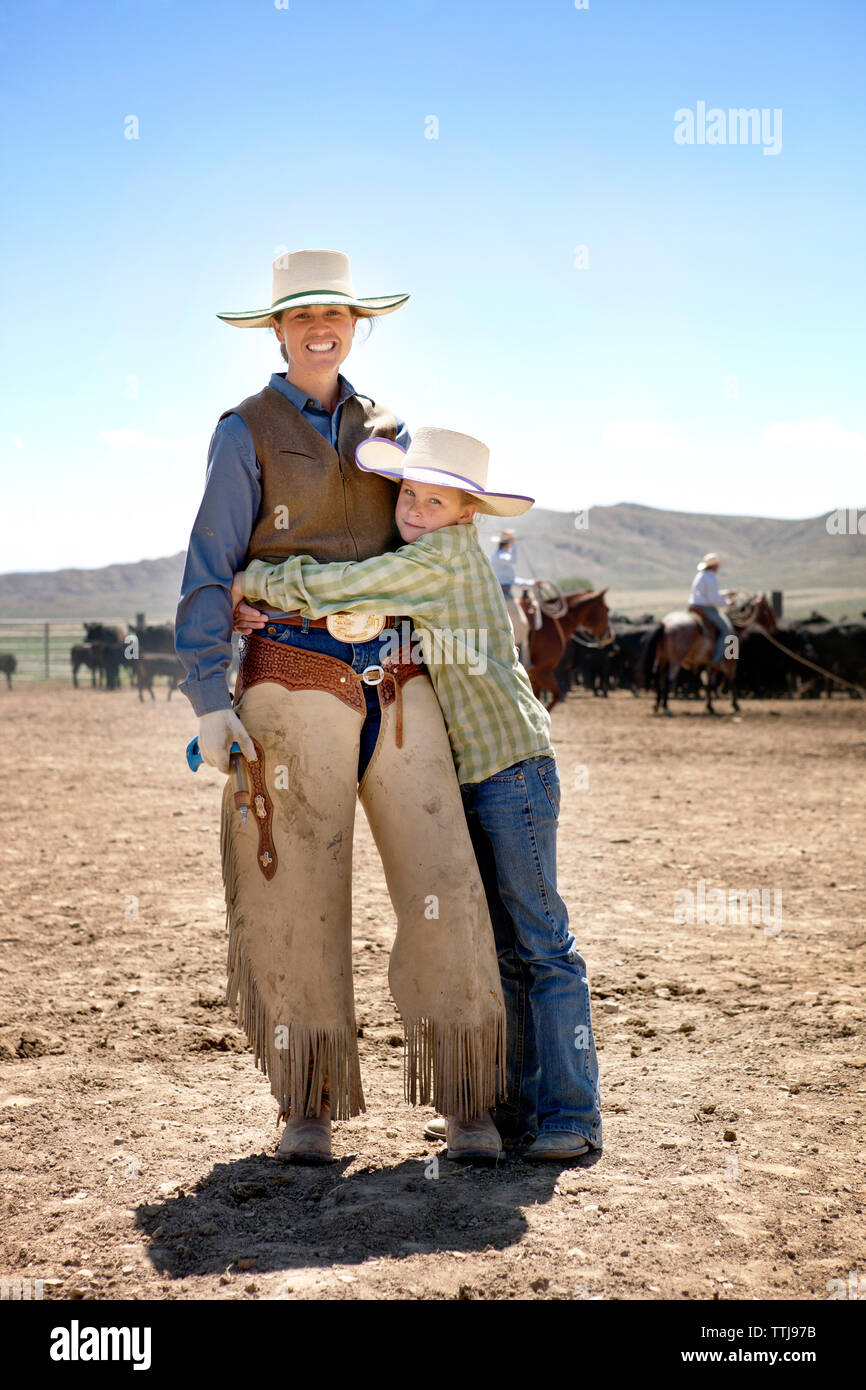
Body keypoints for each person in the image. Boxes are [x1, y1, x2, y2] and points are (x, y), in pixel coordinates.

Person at [176, 250, 505, 1164]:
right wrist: (210, 696)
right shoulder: (242, 431)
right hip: (290, 676)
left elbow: (443, 531)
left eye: (337, 313)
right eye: (302, 314)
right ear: (277, 331)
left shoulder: (394, 430)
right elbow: (208, 564)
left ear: (357, 325)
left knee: (446, 880)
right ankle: (307, 1105)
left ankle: (469, 1101)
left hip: (401, 679)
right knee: (296, 894)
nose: (322, 327)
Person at [231, 427, 603, 1162]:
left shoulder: (437, 561)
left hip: (509, 769)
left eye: (435, 501)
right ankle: (527, 1108)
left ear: (468, 513)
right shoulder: (424, 555)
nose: (415, 509)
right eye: (408, 494)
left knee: (541, 941)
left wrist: (253, 584)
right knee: (504, 943)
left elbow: (343, 586)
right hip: (484, 771)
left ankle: (573, 1112)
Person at [689, 552, 734, 665]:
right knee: (727, 630)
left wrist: (726, 593)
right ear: (714, 566)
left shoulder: (700, 575)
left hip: (694, 605)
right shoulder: (711, 578)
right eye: (717, 565)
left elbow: (710, 594)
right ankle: (717, 659)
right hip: (706, 608)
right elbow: (713, 599)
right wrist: (728, 603)